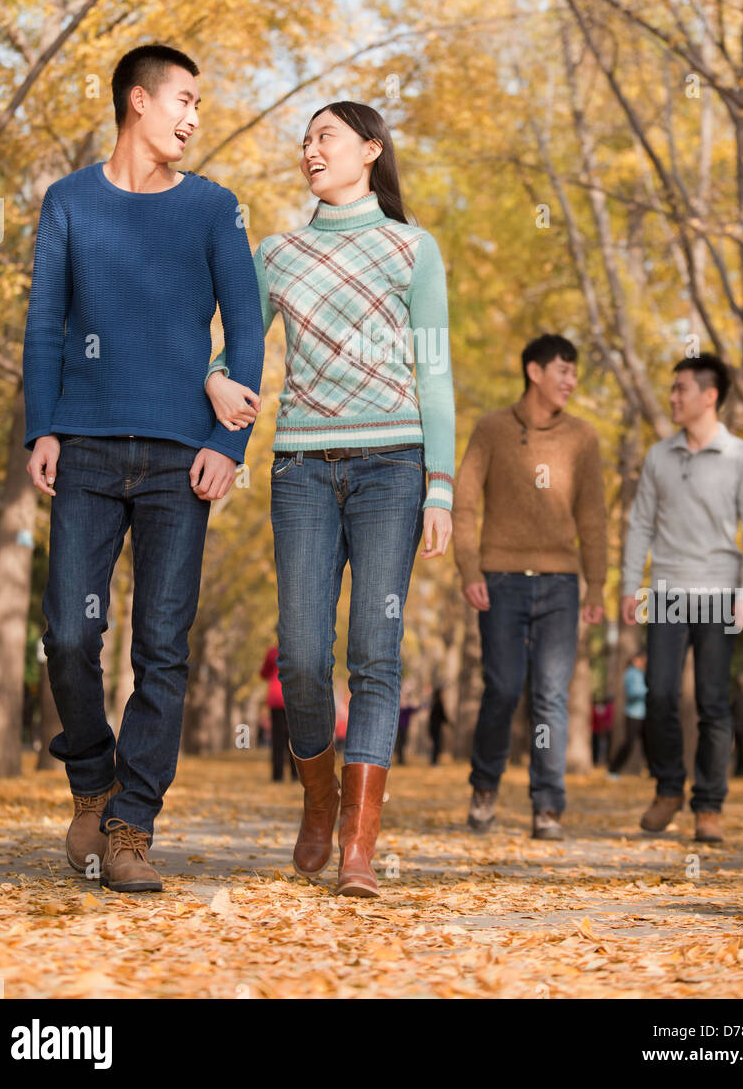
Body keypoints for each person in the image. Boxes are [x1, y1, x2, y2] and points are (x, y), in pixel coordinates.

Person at [23, 44, 264, 893]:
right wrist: (40, 429)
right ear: (138, 101)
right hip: (84, 448)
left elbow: (247, 326)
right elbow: (46, 324)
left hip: (178, 460)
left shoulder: (214, 210)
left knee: (162, 647)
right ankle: (92, 780)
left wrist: (226, 443)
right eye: (184, 100)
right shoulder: (69, 203)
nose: (194, 117)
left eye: (199, 103)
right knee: (69, 634)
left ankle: (132, 825)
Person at [204, 101, 455, 897]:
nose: (311, 149)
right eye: (307, 139)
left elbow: (436, 374)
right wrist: (215, 377)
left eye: (327, 137)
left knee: (376, 656)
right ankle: (320, 795)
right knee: (304, 659)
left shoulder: (412, 250)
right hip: (303, 470)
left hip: (394, 469)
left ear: (370, 152)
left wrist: (441, 486)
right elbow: (236, 347)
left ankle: (359, 846)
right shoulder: (275, 254)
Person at [452, 334, 607, 840]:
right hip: (500, 581)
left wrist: (598, 584)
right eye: (563, 369)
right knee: (502, 687)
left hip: (561, 584)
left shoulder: (583, 438)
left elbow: (594, 516)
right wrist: (469, 570)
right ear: (534, 372)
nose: (571, 381)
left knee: (550, 696)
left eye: (574, 372)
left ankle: (547, 805)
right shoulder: (491, 429)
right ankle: (485, 788)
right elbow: (466, 502)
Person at [622, 353, 743, 843]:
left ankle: (709, 805)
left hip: (719, 591)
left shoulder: (740, 457)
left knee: (712, 701)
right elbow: (640, 522)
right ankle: (667, 789)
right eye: (671, 388)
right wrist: (629, 586)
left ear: (710, 396)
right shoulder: (660, 456)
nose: (672, 396)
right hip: (664, 590)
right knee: (658, 693)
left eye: (681, 388)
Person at [260, 643, 297, 782]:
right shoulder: (296, 649)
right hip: (292, 697)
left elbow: (263, 673)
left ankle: (277, 775)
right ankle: (295, 774)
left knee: (277, 738)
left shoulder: (273, 651)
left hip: (275, 698)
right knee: (293, 738)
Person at [608, 653, 648, 776]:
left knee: (650, 744)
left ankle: (654, 771)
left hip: (644, 714)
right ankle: (613, 770)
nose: (643, 661)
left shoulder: (642, 673)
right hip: (633, 714)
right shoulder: (631, 673)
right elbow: (633, 692)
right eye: (641, 659)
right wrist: (649, 690)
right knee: (629, 743)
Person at [395, 695, 418, 765]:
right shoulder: (405, 709)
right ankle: (400, 759)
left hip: (401, 728)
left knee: (401, 743)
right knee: (401, 743)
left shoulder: (402, 709)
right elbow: (415, 709)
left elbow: (415, 709)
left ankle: (400, 758)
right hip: (402, 728)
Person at [428, 686, 449, 765]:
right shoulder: (438, 703)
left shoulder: (435, 703)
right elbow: (442, 715)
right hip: (435, 727)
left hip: (434, 727)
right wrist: (448, 722)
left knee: (436, 744)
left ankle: (434, 760)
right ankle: (434, 761)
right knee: (436, 744)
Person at [591, 696, 614, 766]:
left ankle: (600, 759)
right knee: (599, 745)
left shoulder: (607, 708)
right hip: (599, 729)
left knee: (600, 745)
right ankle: (598, 760)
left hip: (601, 729)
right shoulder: (606, 708)